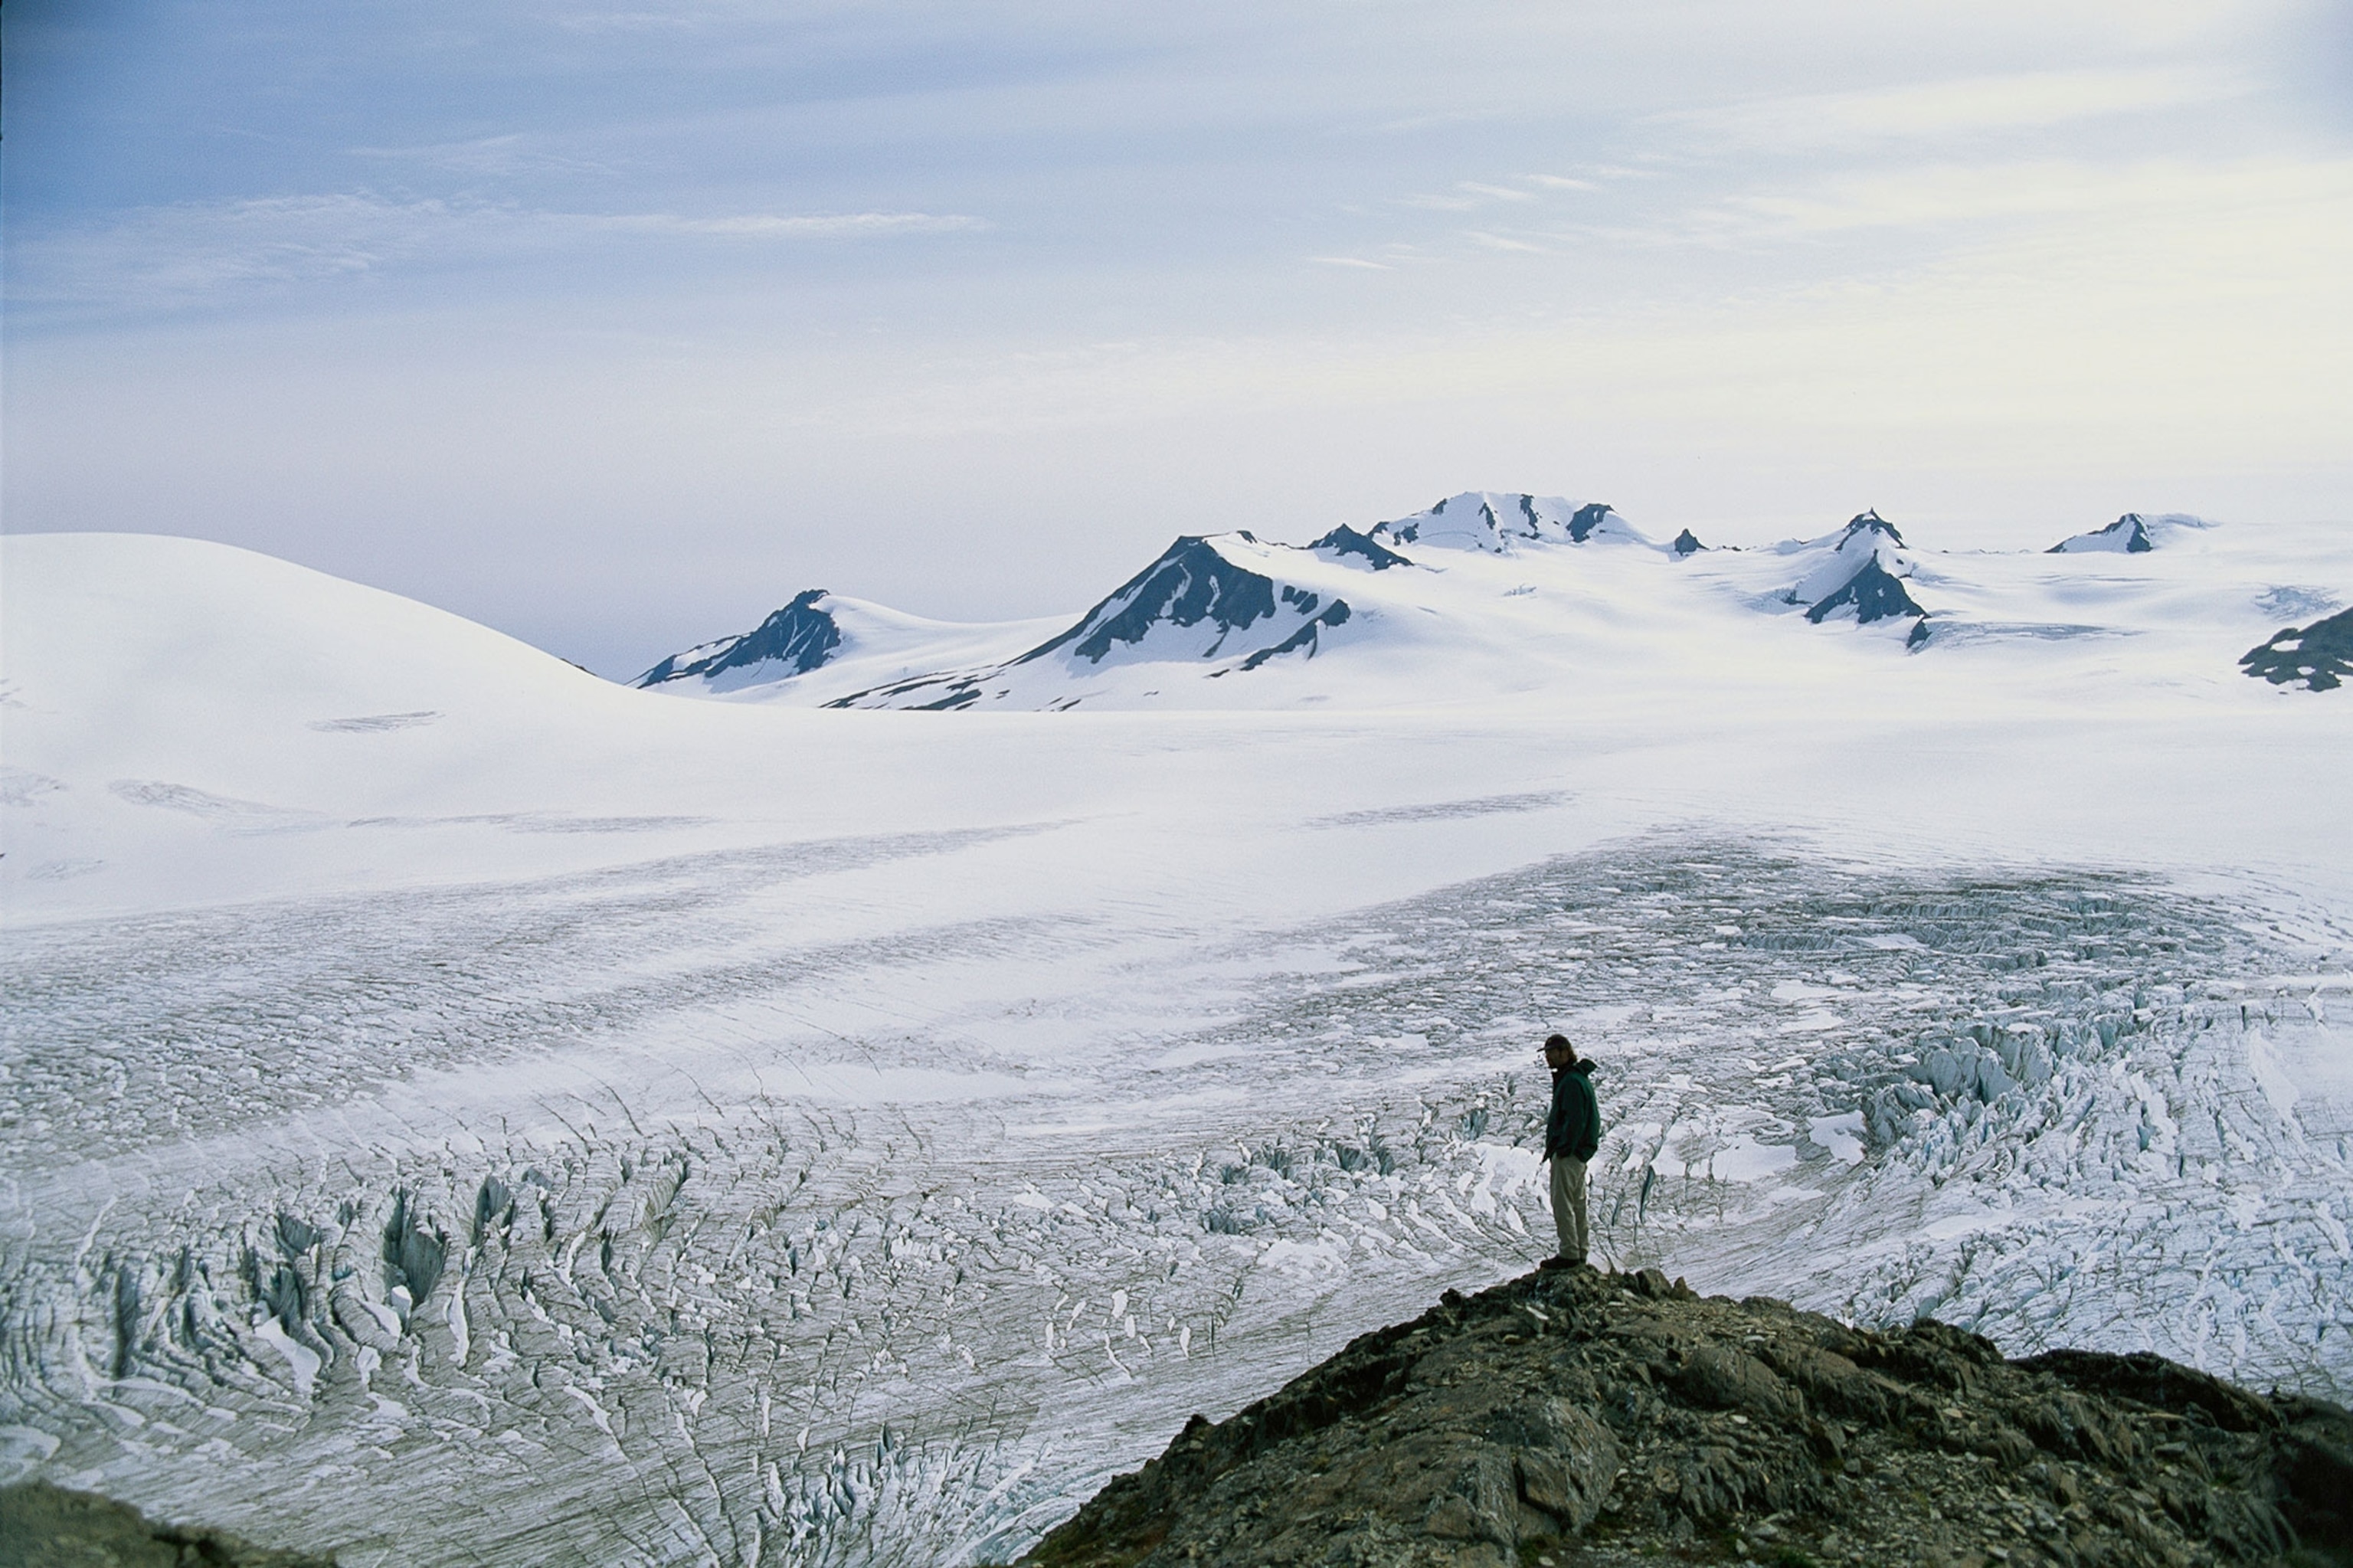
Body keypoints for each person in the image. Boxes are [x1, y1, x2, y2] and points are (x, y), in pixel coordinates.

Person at [1540, 1033, 1600, 1268]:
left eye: (1551, 1052)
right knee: (1576, 1203)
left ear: (1564, 1052)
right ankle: (1579, 1251)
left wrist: (1564, 1147)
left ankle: (1569, 1253)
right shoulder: (1576, 1079)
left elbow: (1576, 1120)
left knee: (1563, 1202)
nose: (1547, 1057)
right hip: (1578, 1153)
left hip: (1570, 1154)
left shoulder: (1571, 1082)